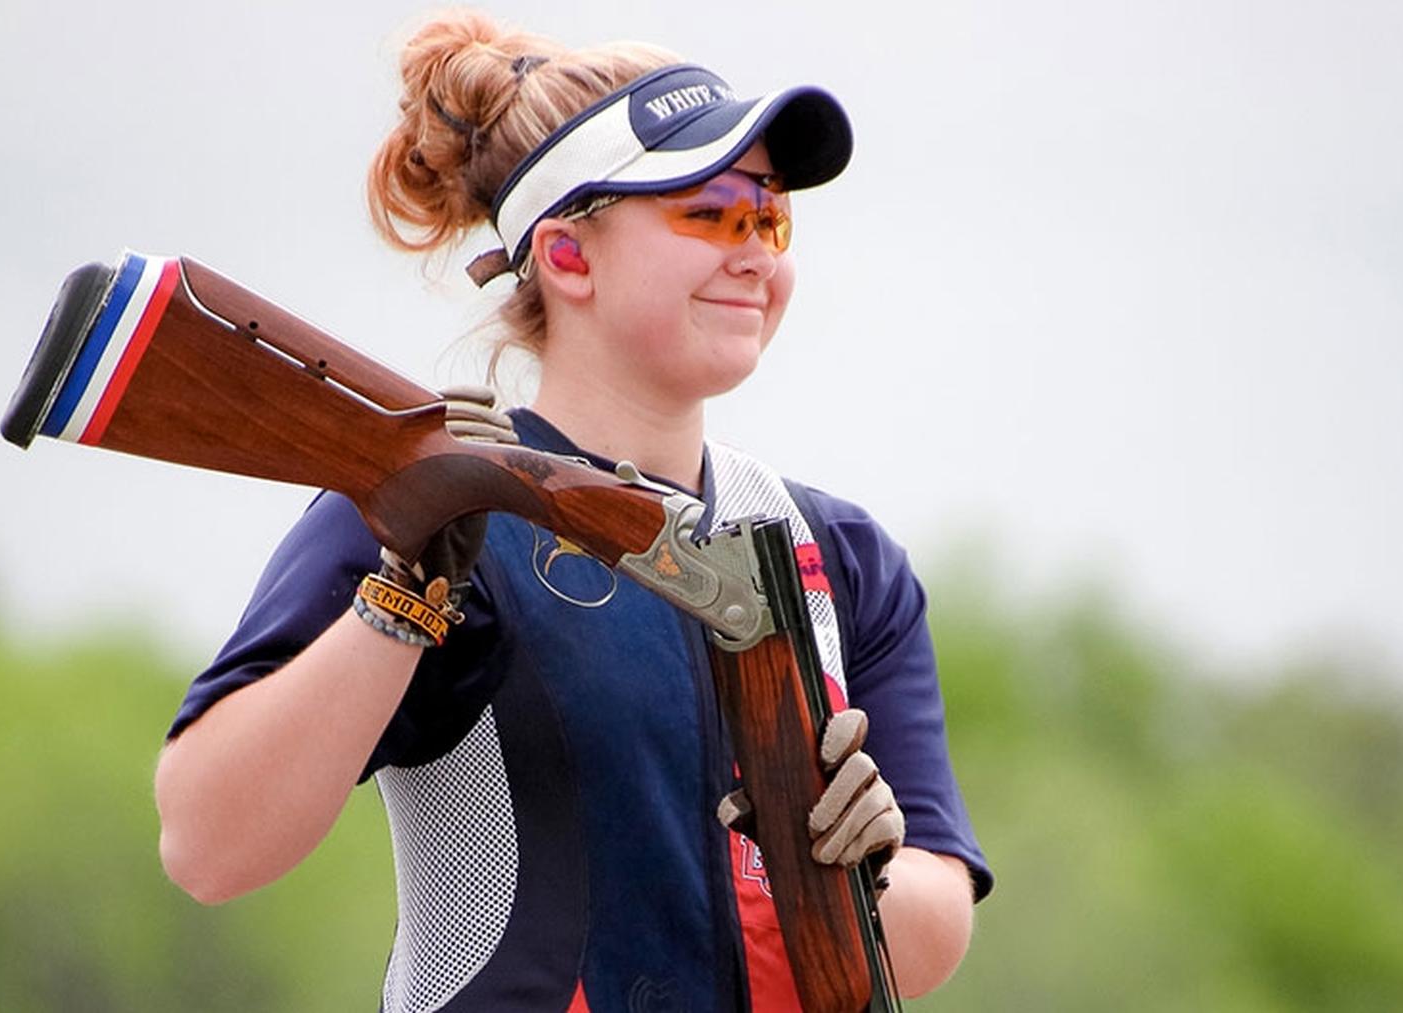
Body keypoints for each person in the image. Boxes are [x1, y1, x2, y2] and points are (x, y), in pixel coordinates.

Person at [154, 9, 990, 1011]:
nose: (754, 252)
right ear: (566, 256)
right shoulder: (424, 503)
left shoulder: (842, 554)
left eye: (769, 216)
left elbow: (932, 934)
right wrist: (401, 596)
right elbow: (206, 845)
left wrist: (851, 859)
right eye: (711, 211)